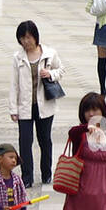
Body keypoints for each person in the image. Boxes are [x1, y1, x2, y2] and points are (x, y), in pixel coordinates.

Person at [9, 20, 62, 189]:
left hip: (44, 104)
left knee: (44, 139)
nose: (26, 42)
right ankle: (27, 177)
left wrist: (51, 74)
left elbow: (61, 70)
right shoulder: (17, 58)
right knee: (25, 141)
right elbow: (14, 84)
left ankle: (46, 173)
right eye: (22, 38)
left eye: (28, 37)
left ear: (35, 37)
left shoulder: (49, 53)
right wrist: (13, 108)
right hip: (25, 105)